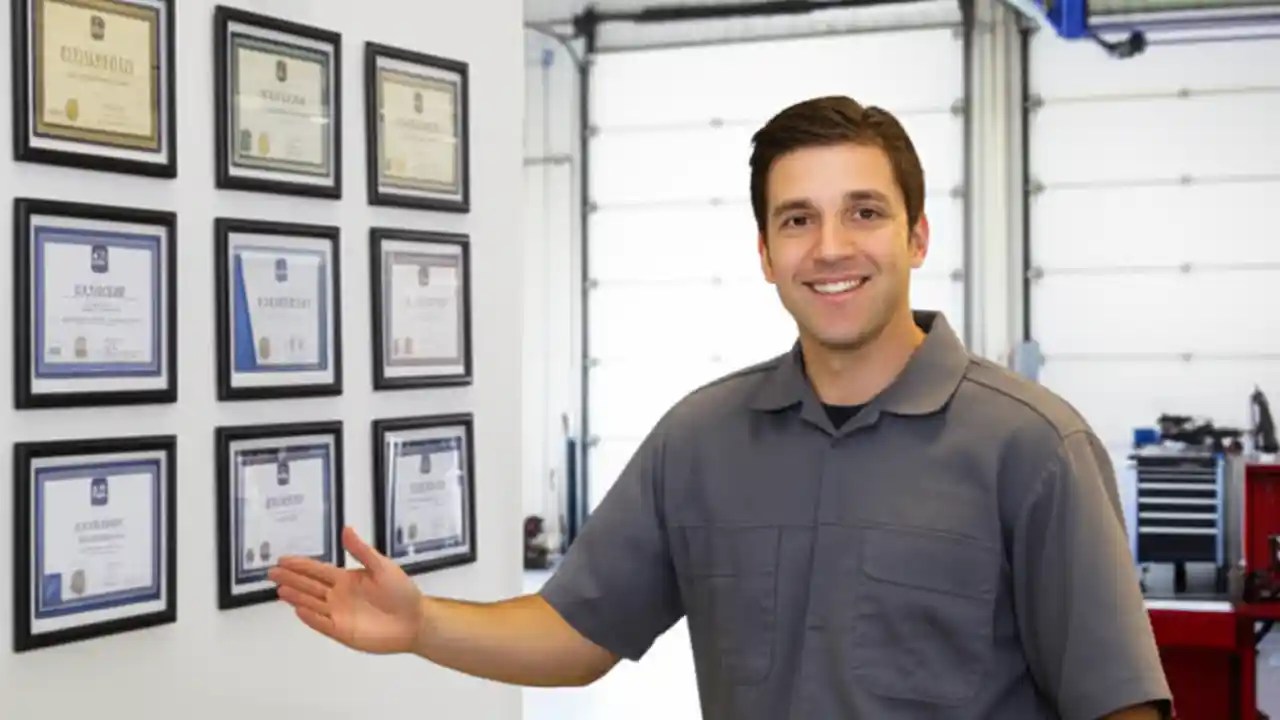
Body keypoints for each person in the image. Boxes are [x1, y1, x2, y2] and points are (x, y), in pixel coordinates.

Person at [269, 95, 1173, 719]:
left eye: (864, 213)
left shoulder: (1034, 446)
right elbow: (578, 632)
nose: (830, 248)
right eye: (797, 219)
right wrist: (424, 624)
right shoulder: (701, 439)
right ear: (765, 249)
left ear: (917, 233)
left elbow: (1120, 704)